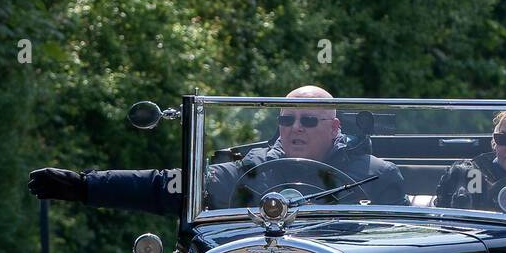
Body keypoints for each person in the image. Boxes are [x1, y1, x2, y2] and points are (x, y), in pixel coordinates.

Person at [27, 86, 404, 214]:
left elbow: (396, 250)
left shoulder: (374, 175)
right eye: (287, 120)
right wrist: (83, 186)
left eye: (308, 121)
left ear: (334, 127)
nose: (294, 129)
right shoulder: (250, 171)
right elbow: (169, 187)